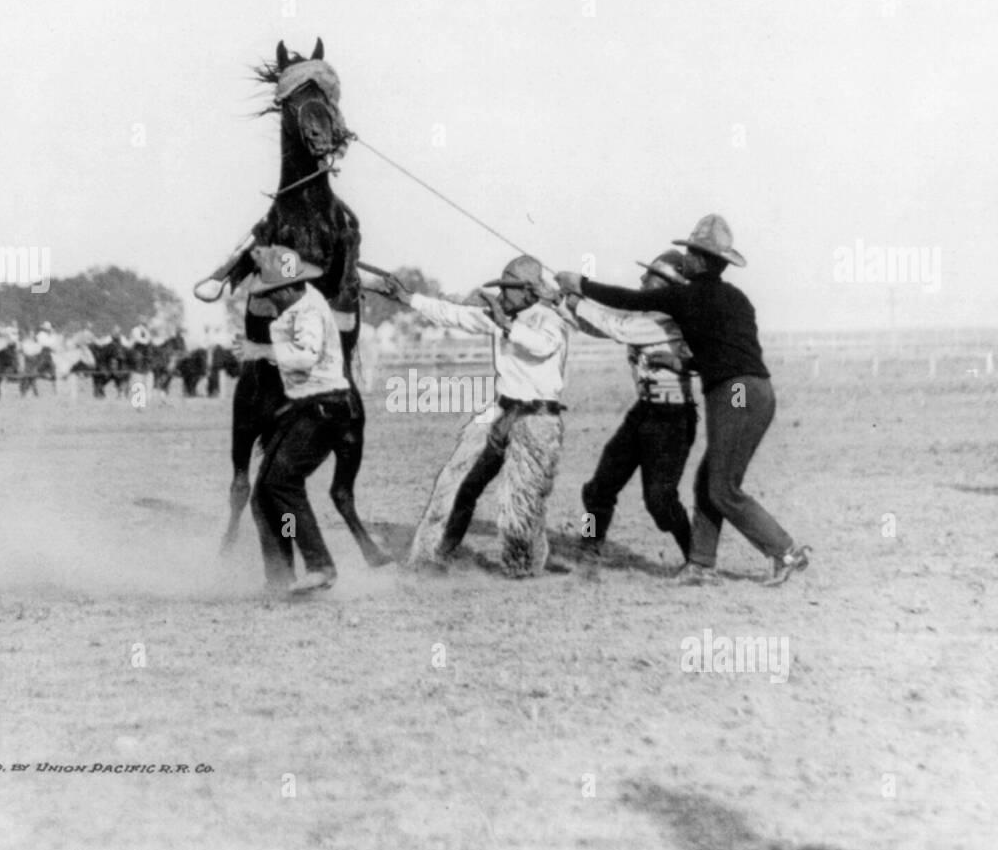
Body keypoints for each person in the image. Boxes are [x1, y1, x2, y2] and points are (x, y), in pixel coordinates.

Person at [558, 215, 810, 586]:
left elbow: (626, 301)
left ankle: (786, 552)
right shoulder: (733, 299)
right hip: (751, 390)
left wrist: (581, 285)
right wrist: (684, 362)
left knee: (722, 488)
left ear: (703, 261)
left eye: (690, 252)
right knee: (709, 480)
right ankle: (700, 563)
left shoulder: (685, 295)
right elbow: (731, 352)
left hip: (735, 393)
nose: (686, 256)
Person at [377, 255, 571, 578]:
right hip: (500, 409)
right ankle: (435, 554)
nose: (503, 295)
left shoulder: (549, 320)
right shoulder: (500, 315)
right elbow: (454, 315)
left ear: (527, 290)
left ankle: (524, 564)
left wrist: (505, 324)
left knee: (521, 498)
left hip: (538, 418)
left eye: (509, 289)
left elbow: (542, 346)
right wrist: (408, 298)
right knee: (456, 483)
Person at [565, 250, 698, 571]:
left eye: (649, 276)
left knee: (660, 502)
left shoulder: (664, 320)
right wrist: (564, 303)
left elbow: (617, 327)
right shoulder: (646, 317)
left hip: (672, 418)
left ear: (666, 285)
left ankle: (697, 556)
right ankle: (589, 544)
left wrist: (577, 300)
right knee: (598, 488)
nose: (641, 280)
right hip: (645, 411)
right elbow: (603, 328)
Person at [248, 246, 357, 596]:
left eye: (268, 295)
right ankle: (280, 577)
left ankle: (320, 565)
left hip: (324, 408)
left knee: (281, 484)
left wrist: (261, 351)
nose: (267, 302)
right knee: (264, 495)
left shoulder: (307, 311)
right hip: (309, 408)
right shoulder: (300, 304)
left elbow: (306, 357)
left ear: (283, 289)